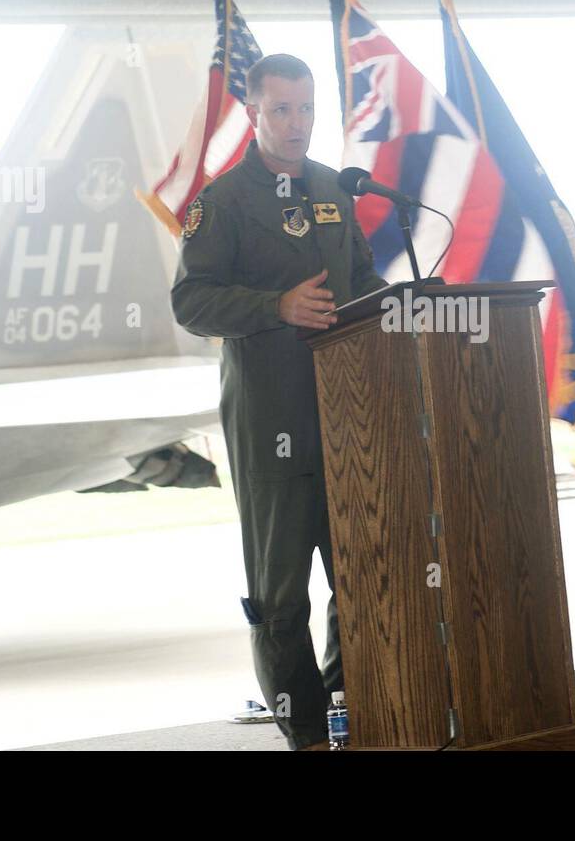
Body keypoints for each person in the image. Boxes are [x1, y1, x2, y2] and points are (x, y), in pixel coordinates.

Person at [171, 53, 388, 750]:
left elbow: (361, 279)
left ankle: (346, 706)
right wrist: (278, 305)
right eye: (283, 110)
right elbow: (192, 300)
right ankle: (306, 732)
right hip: (271, 420)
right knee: (281, 595)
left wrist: (403, 308)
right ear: (256, 113)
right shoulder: (223, 201)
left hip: (344, 415)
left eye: (307, 109)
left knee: (359, 579)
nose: (297, 124)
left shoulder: (333, 187)